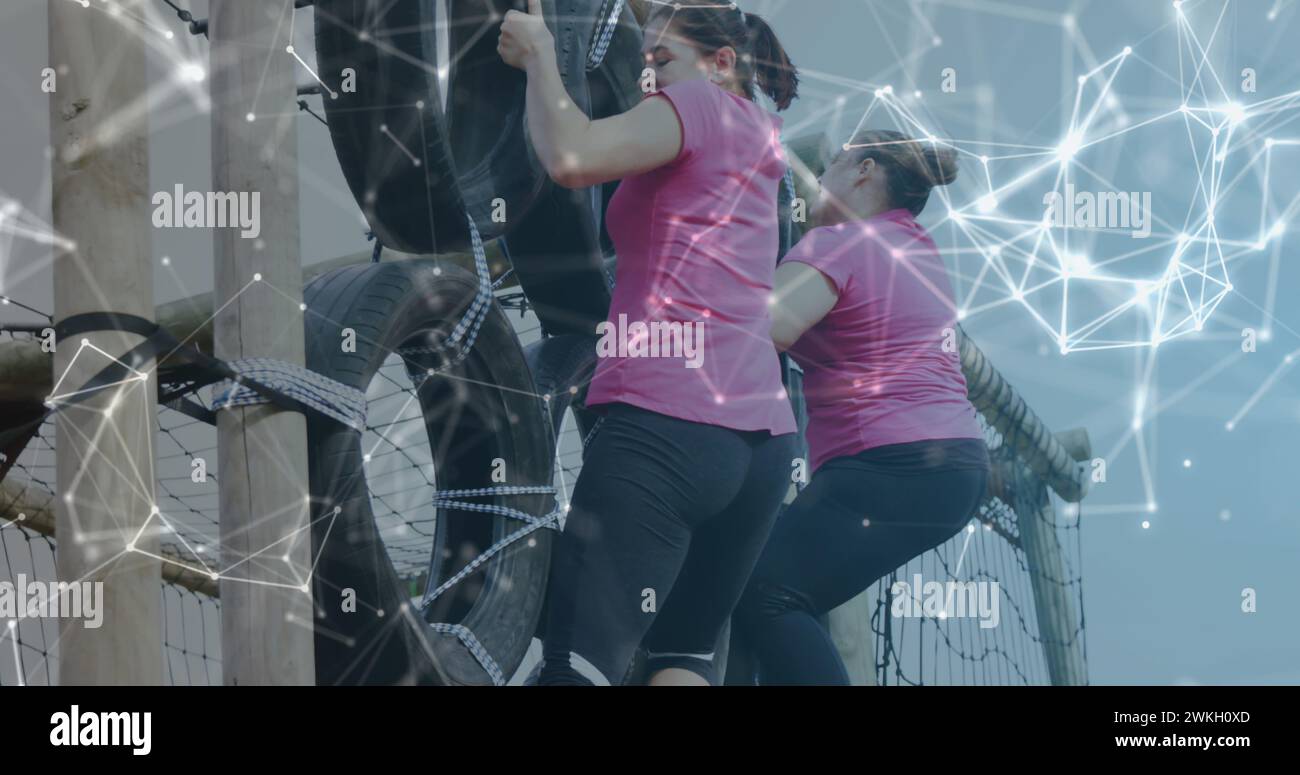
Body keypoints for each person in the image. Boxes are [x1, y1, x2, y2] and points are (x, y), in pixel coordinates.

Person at [499, 1, 801, 685]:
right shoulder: (763, 140)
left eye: (661, 60)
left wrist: (541, 57)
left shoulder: (700, 105)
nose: (650, 76)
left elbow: (571, 156)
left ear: (721, 64)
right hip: (761, 449)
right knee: (683, 663)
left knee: (577, 666)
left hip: (671, 422)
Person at [734, 129, 991, 685]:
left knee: (764, 593)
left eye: (830, 166)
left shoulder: (840, 244)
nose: (820, 177)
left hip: (889, 465)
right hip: (953, 468)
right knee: (787, 587)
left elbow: (765, 325)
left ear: (865, 170)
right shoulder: (913, 246)